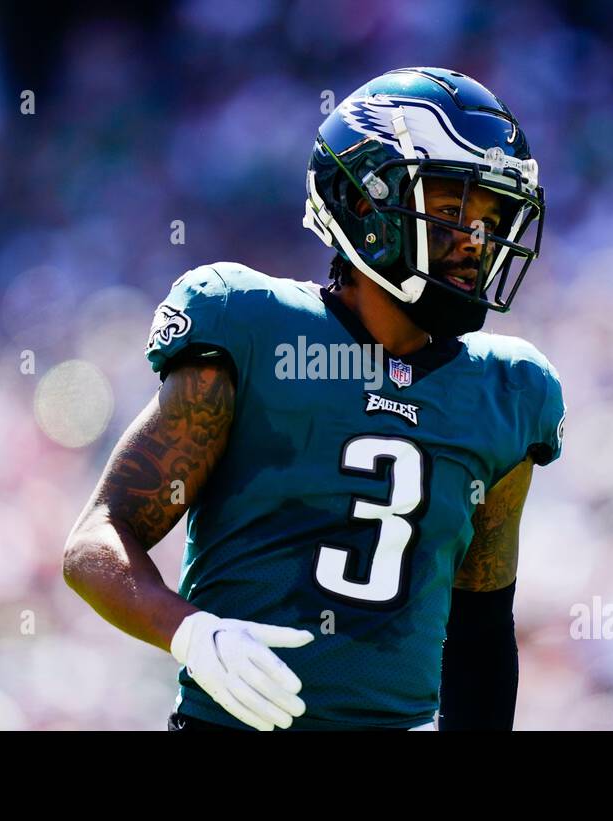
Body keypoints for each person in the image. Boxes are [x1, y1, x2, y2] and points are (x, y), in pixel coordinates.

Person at [64, 67, 565, 731]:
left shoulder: (507, 391)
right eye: (451, 211)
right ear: (366, 202)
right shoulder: (253, 327)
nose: (476, 241)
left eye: (490, 217)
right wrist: (189, 633)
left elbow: (480, 626)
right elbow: (95, 540)